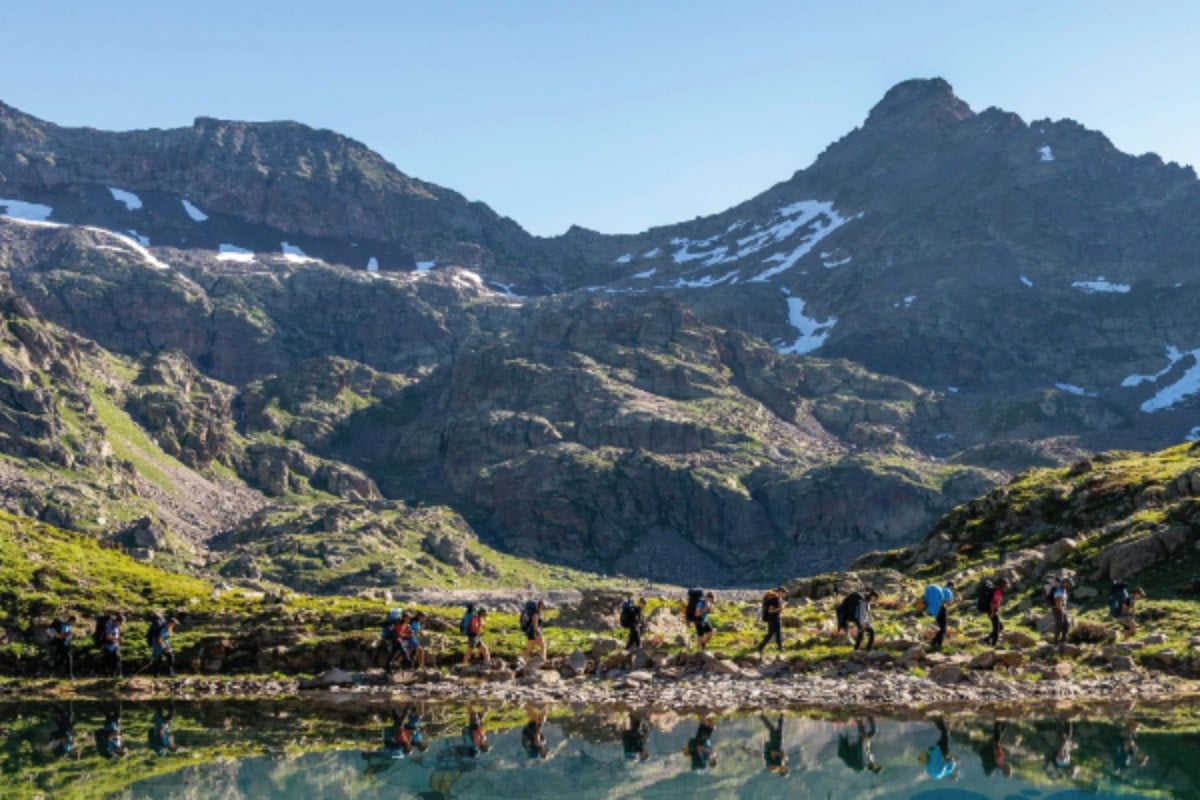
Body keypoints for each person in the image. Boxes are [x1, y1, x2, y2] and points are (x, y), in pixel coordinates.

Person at [922, 582, 956, 651]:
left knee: (940, 626)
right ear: (951, 586)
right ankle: (936, 643)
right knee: (943, 628)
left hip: (934, 611)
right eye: (953, 588)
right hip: (941, 609)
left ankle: (935, 643)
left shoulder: (940, 589)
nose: (953, 589)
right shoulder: (948, 591)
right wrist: (954, 602)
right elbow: (948, 602)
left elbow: (926, 599)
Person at [757, 587, 785, 655]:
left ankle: (761, 646)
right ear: (779, 592)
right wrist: (780, 609)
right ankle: (780, 648)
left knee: (771, 633)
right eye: (783, 593)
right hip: (774, 619)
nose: (784, 594)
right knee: (777, 633)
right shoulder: (775, 599)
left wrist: (779, 608)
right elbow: (770, 610)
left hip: (771, 619)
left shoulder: (773, 598)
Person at [49, 615, 76, 680]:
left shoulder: (66, 625)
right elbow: (61, 636)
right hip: (63, 646)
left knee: (62, 661)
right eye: (74, 622)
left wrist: (69, 635)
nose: (74, 623)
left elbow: (63, 636)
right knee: (69, 659)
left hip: (62, 645)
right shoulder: (65, 626)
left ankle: (50, 669)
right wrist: (69, 634)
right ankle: (70, 675)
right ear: (71, 620)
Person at [985, 578, 1009, 647]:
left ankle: (988, 639)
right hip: (992, 611)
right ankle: (993, 644)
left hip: (993, 610)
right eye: (1007, 583)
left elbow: (996, 602)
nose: (1008, 585)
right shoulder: (998, 591)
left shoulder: (999, 591)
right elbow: (992, 603)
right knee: (997, 628)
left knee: (1000, 627)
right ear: (1003, 585)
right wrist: (993, 612)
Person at [101, 614, 124, 678]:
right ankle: (107, 675)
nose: (121, 624)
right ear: (118, 621)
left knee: (118, 660)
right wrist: (116, 639)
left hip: (115, 645)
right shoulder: (109, 626)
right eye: (121, 622)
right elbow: (107, 636)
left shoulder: (118, 627)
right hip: (108, 646)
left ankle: (117, 674)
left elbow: (118, 636)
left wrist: (119, 644)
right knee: (108, 661)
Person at [1051, 577, 1073, 644]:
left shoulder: (1063, 590)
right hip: (1058, 609)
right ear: (1065, 583)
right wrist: (1061, 610)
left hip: (1062, 609)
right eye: (1069, 584)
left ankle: (1063, 640)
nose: (1070, 586)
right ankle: (1055, 642)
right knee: (1059, 625)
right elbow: (1058, 602)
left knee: (1066, 624)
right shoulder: (1059, 590)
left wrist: (1064, 610)